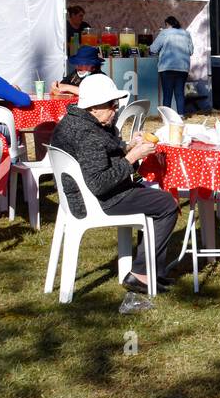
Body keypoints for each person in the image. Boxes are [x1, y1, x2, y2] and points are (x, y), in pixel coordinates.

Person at [50, 74, 177, 312]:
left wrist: (126, 146)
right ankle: (141, 274)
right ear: (94, 107)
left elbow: (103, 152)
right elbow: (99, 182)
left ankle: (148, 268)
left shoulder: (77, 121)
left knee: (154, 198)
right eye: (111, 105)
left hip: (76, 196)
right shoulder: (87, 133)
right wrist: (131, 157)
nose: (115, 109)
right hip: (97, 200)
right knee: (166, 203)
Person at [150, 16, 194, 116]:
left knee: (167, 94)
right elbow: (191, 51)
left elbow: (153, 49)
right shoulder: (186, 33)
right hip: (183, 68)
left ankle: (167, 118)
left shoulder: (165, 32)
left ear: (168, 24)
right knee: (179, 94)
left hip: (167, 67)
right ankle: (181, 116)